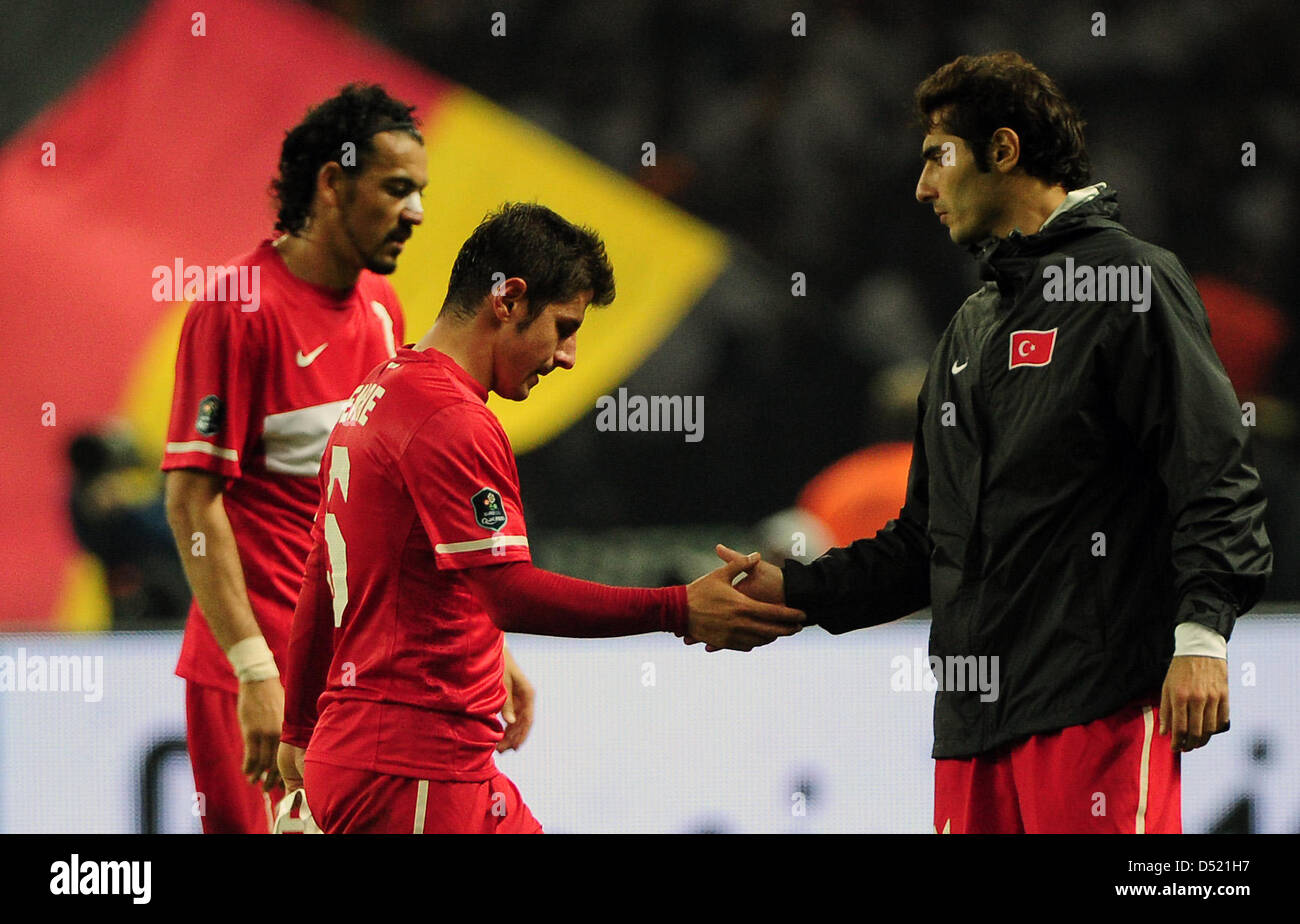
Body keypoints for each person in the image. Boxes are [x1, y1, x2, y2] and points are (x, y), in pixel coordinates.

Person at [719, 51, 1272, 833]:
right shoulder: (969, 331)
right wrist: (797, 591)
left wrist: (1202, 637)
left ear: (1005, 151)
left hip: (1100, 707)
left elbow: (1214, 475)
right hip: (974, 733)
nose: (922, 188)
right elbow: (925, 544)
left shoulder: (1129, 283)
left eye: (937, 158)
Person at [276, 203, 805, 834]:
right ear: (508, 299)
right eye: (564, 326)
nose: (569, 356)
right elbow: (509, 592)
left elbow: (324, 576)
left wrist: (299, 727)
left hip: (418, 758)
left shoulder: (380, 391)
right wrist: (677, 608)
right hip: (413, 772)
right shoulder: (451, 419)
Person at [163, 84, 533, 833]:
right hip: (256, 680)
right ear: (332, 183)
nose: (417, 212)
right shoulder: (237, 308)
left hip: (346, 682)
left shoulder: (381, 308)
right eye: (398, 188)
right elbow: (190, 502)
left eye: (420, 191)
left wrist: (486, 642)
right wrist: (254, 671)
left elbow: (394, 506)